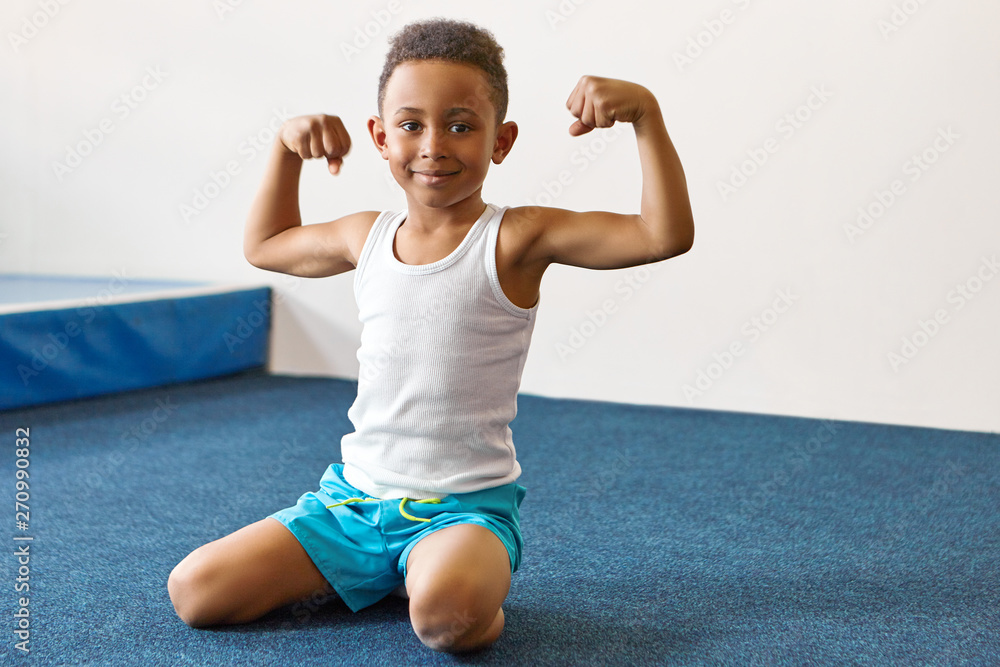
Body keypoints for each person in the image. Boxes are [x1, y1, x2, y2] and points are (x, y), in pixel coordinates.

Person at [167, 17, 694, 653]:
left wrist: (647, 116)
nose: (433, 144)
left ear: (501, 141)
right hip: (351, 503)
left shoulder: (518, 238)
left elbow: (662, 235)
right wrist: (284, 148)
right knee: (195, 592)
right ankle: (385, 571)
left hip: (462, 509)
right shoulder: (364, 236)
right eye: (411, 124)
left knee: (446, 622)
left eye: (461, 125)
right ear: (380, 137)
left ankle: (444, 583)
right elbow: (266, 246)